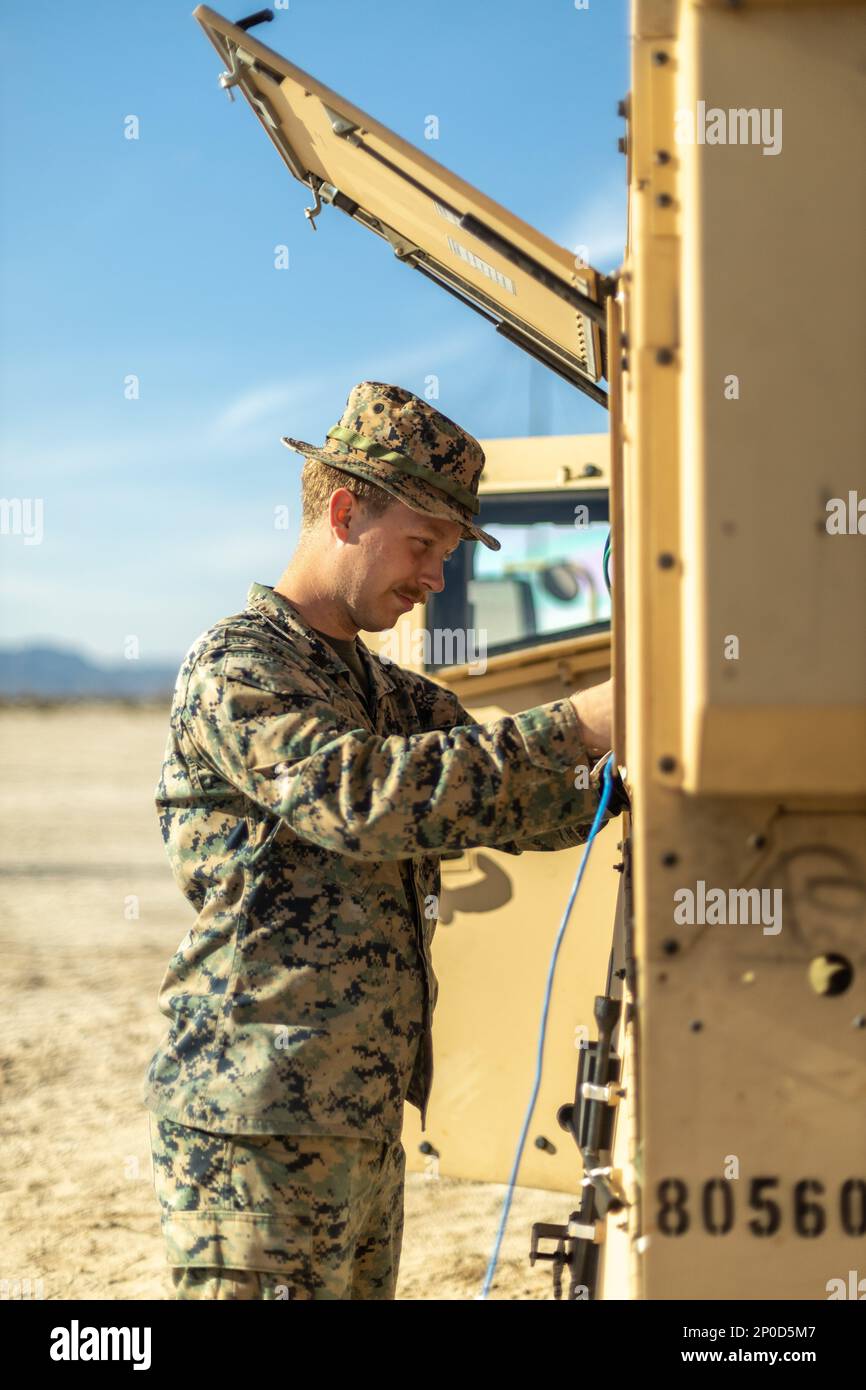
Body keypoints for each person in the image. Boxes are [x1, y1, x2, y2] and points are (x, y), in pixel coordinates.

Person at [143, 380, 626, 1300]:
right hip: (256, 1124)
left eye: (447, 554)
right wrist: (586, 723)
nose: (436, 579)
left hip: (356, 1120)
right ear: (343, 511)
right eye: (424, 546)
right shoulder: (241, 665)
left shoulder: (385, 690)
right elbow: (360, 800)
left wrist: (636, 765)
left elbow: (510, 790)